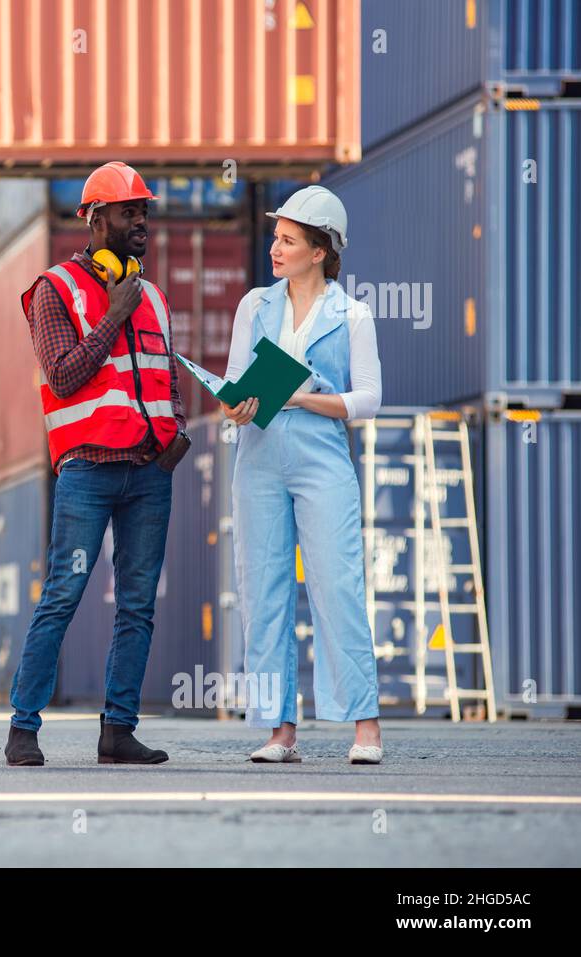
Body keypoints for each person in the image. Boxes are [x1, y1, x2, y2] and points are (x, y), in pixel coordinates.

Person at [5, 161, 191, 767]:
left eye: (144, 211)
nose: (141, 221)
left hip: (147, 474)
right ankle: (23, 729)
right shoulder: (54, 291)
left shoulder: (155, 298)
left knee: (138, 604)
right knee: (63, 593)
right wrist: (113, 313)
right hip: (87, 470)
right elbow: (62, 377)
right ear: (94, 219)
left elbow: (167, 381)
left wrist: (175, 436)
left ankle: (118, 731)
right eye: (128, 211)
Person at [221, 185, 384, 764]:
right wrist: (234, 403)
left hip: (321, 459)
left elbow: (367, 400)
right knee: (262, 592)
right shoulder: (253, 307)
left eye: (287, 240)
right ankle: (278, 731)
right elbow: (237, 381)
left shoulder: (352, 315)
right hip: (258, 459)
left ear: (319, 251)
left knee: (337, 588)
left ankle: (365, 728)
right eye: (275, 237)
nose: (275, 247)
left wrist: (301, 399)